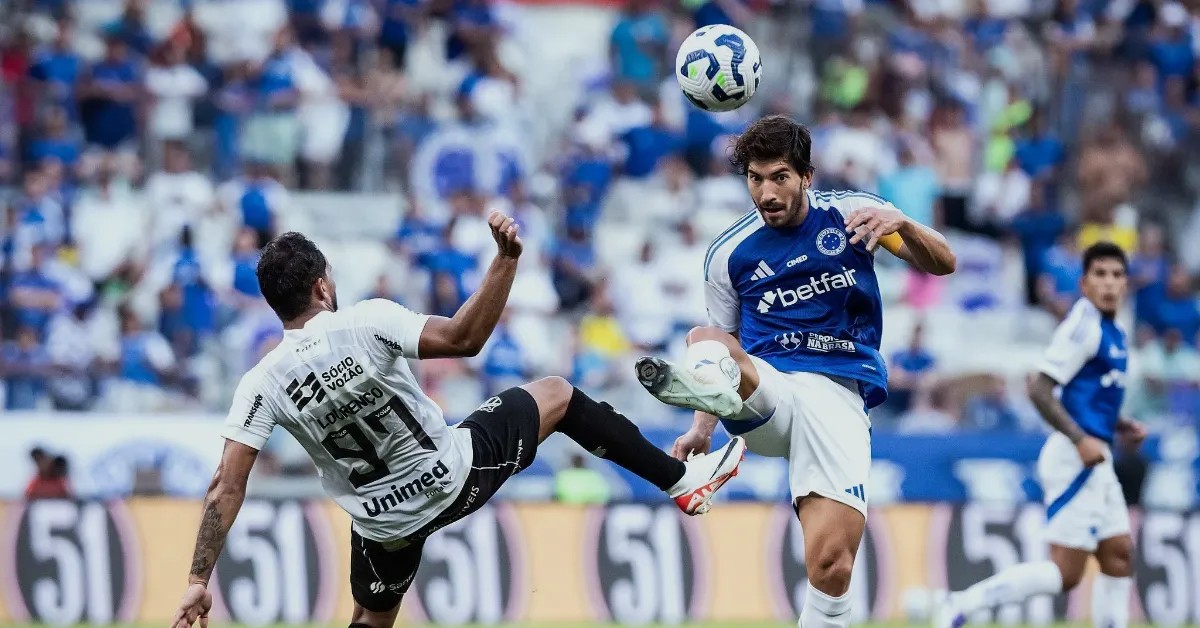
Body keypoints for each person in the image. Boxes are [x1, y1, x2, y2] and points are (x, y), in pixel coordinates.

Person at [169, 211, 746, 628]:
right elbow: (464, 338)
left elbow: (228, 484)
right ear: (322, 286)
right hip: (451, 477)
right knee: (558, 395)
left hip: (380, 526)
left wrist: (199, 579)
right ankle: (682, 482)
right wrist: (506, 261)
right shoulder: (363, 321)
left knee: (371, 619)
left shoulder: (261, 382)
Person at [633, 115, 957, 628]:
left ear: (806, 175)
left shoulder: (852, 215)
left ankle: (727, 447)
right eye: (755, 179)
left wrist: (905, 224)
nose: (766, 192)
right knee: (706, 340)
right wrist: (699, 430)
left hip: (838, 396)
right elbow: (728, 337)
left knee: (832, 569)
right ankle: (718, 431)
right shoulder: (727, 256)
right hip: (771, 390)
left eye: (778, 176)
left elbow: (943, 263)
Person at [933, 242, 1146, 628]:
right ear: (1083, 283)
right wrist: (1081, 439)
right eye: (1100, 274)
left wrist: (1119, 423)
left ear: (1126, 283)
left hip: (1095, 455)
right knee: (1066, 573)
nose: (1110, 283)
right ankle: (964, 600)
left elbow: (1085, 396)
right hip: (1073, 456)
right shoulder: (1084, 325)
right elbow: (1040, 388)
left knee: (1119, 553)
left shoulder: (1113, 330)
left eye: (1117, 275)